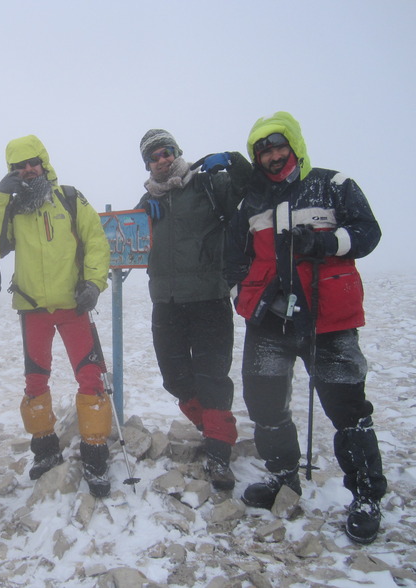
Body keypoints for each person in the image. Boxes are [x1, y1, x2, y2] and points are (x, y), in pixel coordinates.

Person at [225, 111, 386, 544]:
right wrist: (244, 288)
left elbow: (369, 233)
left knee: (347, 408)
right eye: (264, 152)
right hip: (270, 321)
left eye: (279, 148)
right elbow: (234, 256)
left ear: (294, 146)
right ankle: (283, 477)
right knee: (264, 403)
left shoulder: (333, 185)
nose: (273, 157)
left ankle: (366, 495)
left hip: (327, 320)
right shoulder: (251, 204)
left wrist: (329, 242)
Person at [0, 135, 112, 497]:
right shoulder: (11, 207)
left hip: (74, 305)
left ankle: (96, 455)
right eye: (18, 167)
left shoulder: (69, 198)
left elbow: (96, 241)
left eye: (32, 163)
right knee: (35, 382)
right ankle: (44, 450)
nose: (27, 170)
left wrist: (93, 284)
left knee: (91, 378)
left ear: (43, 163)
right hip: (33, 309)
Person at [135, 130, 252, 491]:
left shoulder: (208, 186)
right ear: (148, 164)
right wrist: (142, 215)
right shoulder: (146, 201)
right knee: (176, 379)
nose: (162, 160)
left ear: (177, 152)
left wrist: (232, 158)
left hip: (208, 299)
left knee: (213, 378)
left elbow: (250, 183)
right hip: (166, 304)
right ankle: (210, 427)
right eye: (154, 156)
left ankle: (219, 451)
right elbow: (127, 242)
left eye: (167, 152)